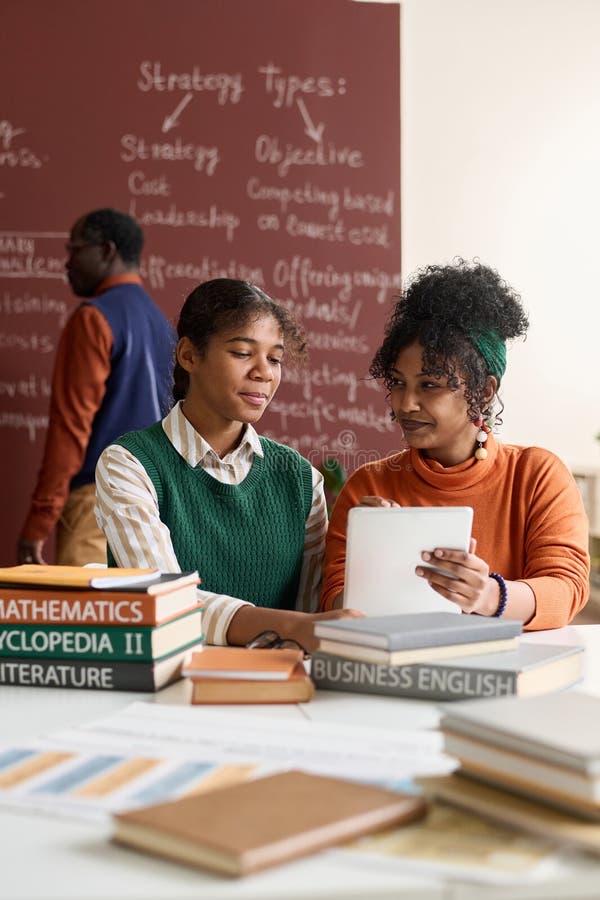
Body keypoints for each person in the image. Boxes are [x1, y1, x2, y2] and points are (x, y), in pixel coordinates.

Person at [321, 260, 590, 630]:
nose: (405, 403)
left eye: (429, 385)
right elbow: (333, 601)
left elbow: (567, 589)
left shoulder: (537, 475)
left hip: (511, 676)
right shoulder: (369, 486)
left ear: (483, 391)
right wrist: (375, 557)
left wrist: (488, 595)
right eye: (398, 382)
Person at [95, 278, 360, 650]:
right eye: (241, 353)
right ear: (189, 356)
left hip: (275, 690)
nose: (264, 372)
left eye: (275, 358)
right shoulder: (129, 465)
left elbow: (312, 615)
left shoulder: (302, 481)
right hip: (168, 690)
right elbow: (165, 603)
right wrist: (296, 628)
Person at [17, 208, 175, 567]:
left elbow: (70, 429)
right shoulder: (163, 325)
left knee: (89, 620)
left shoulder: (93, 319)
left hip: (96, 504)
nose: (67, 262)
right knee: (137, 617)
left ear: (106, 250)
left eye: (74, 250)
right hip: (153, 505)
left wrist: (39, 521)